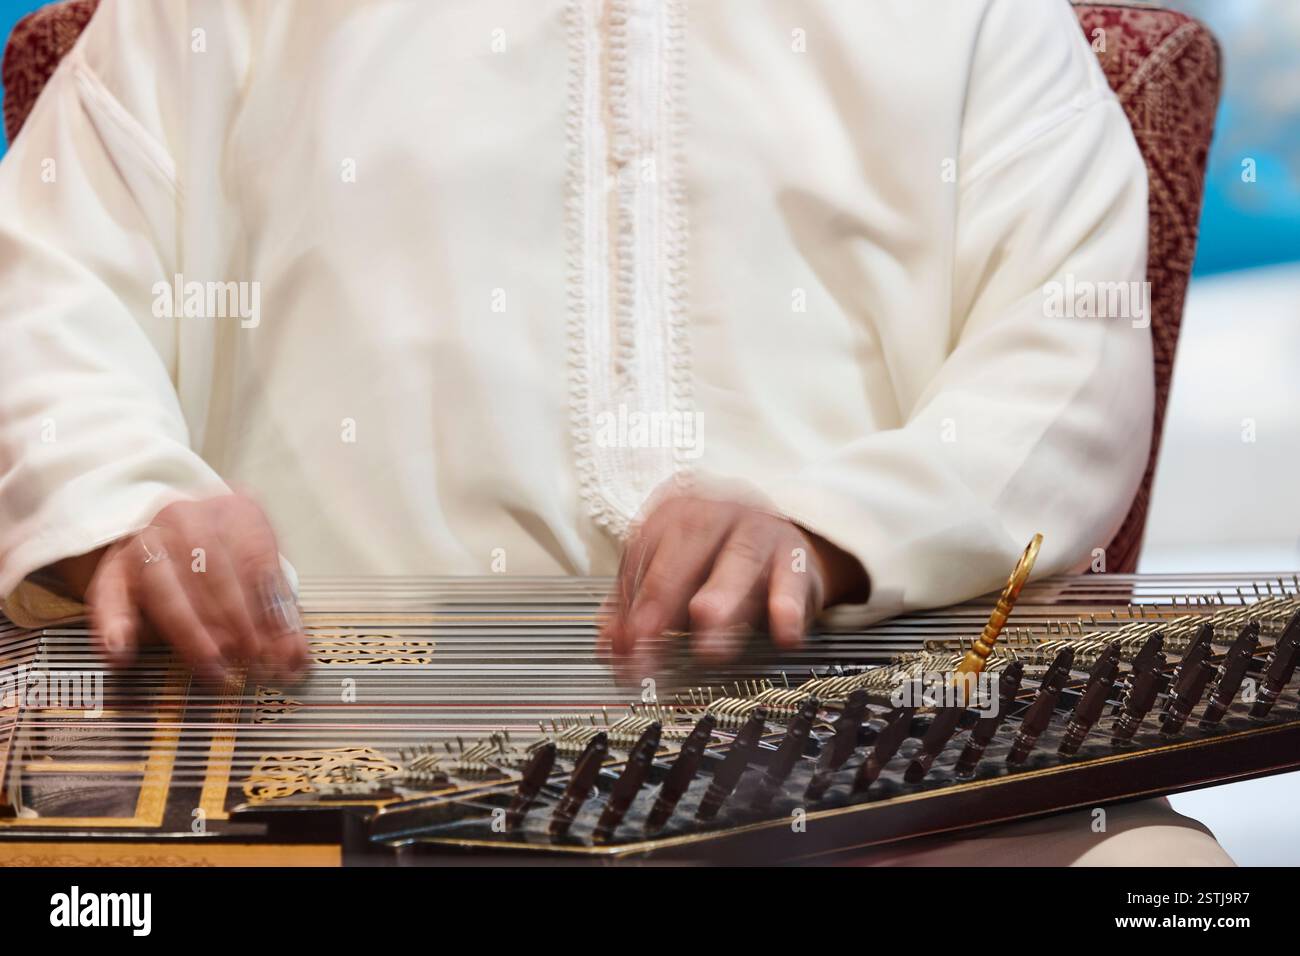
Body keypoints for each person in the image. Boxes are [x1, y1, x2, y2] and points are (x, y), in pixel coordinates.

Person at [0, 0, 1229, 863]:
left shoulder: (976, 18)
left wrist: (830, 529)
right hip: (308, 752)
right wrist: (124, 513)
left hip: (881, 757)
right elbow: (43, 301)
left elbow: (1067, 352)